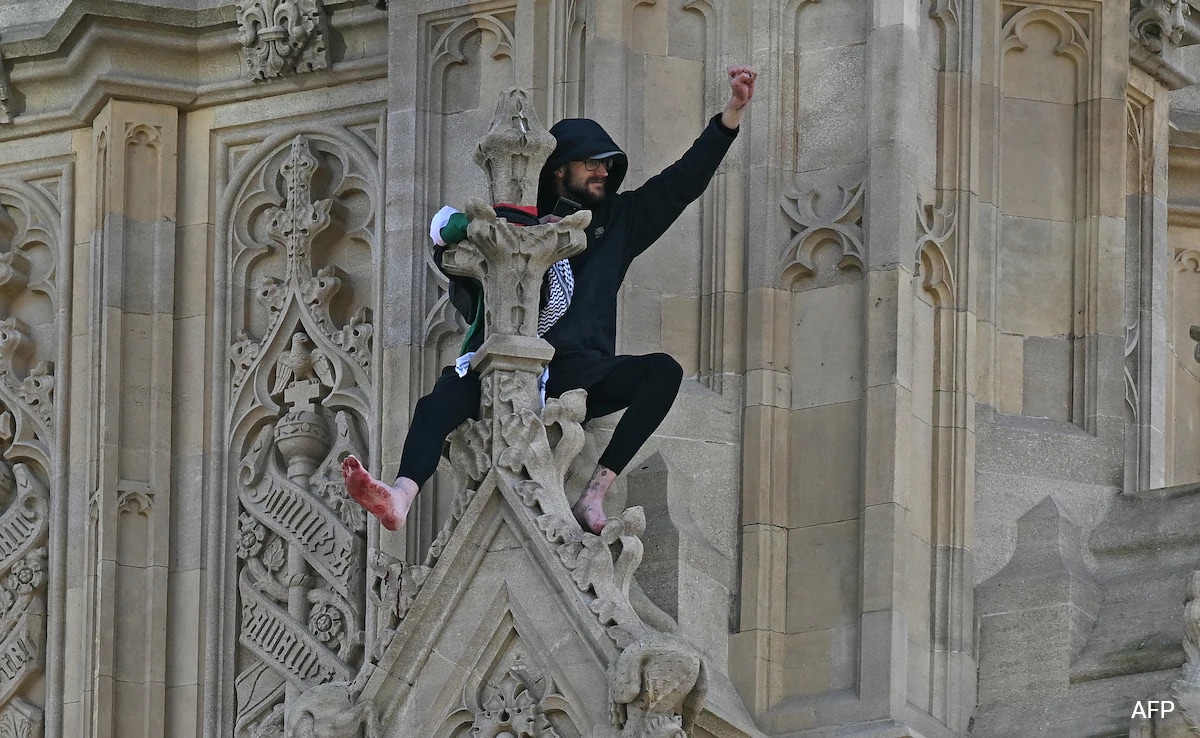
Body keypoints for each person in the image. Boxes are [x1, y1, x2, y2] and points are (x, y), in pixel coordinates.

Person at [343, 65, 758, 534]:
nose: (605, 171)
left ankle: (595, 494)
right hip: (505, 360)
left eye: (608, 164)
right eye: (593, 163)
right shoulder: (516, 221)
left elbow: (681, 183)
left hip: (575, 369)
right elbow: (451, 244)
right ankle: (400, 495)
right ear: (560, 169)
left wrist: (730, 115)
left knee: (662, 373)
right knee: (441, 399)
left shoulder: (616, 221)